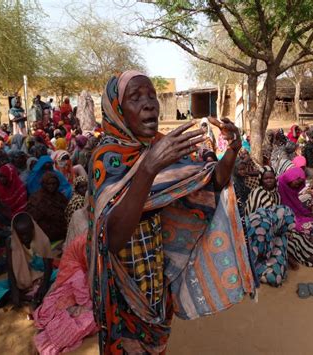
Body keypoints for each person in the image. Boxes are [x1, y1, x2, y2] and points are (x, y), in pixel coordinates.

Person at [88, 71, 255, 353]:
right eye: (136, 97)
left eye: (152, 95)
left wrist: (232, 150)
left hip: (156, 277)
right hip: (122, 288)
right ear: (116, 109)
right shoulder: (106, 157)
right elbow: (111, 239)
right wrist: (148, 169)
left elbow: (210, 182)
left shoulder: (161, 147)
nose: (150, 103)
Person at [245, 167, 313, 270]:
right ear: (260, 180)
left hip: (276, 228)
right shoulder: (258, 193)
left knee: (299, 238)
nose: (269, 181)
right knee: (294, 244)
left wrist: (287, 230)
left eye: (271, 178)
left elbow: (279, 215)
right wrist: (284, 231)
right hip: (260, 233)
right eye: (265, 179)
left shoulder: (275, 194)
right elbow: (263, 218)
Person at [33, 234, 97, 353]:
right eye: (88, 254)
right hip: (64, 309)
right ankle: (50, 341)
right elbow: (84, 300)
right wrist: (82, 309)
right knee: (94, 318)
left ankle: (49, 336)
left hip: (59, 307)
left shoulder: (73, 265)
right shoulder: (78, 273)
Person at [0, 213, 56, 309]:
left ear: (33, 228)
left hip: (41, 276)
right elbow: (10, 268)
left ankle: (28, 296)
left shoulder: (43, 240)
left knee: (65, 273)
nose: (26, 237)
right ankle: (24, 297)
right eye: (22, 235)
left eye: (28, 233)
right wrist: (14, 289)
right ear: (15, 233)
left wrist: (43, 286)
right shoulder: (11, 242)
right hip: (20, 281)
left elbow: (48, 267)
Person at [27, 172, 68, 243]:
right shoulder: (36, 198)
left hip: (61, 234)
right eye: (48, 184)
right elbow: (33, 219)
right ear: (44, 184)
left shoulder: (60, 197)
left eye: (54, 184)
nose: (51, 186)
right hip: (45, 236)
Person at [278, 167, 313, 234]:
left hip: (294, 214)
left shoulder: (291, 189)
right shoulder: (279, 185)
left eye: (299, 184)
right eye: (297, 183)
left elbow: (297, 204)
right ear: (291, 177)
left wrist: (308, 213)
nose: (297, 186)